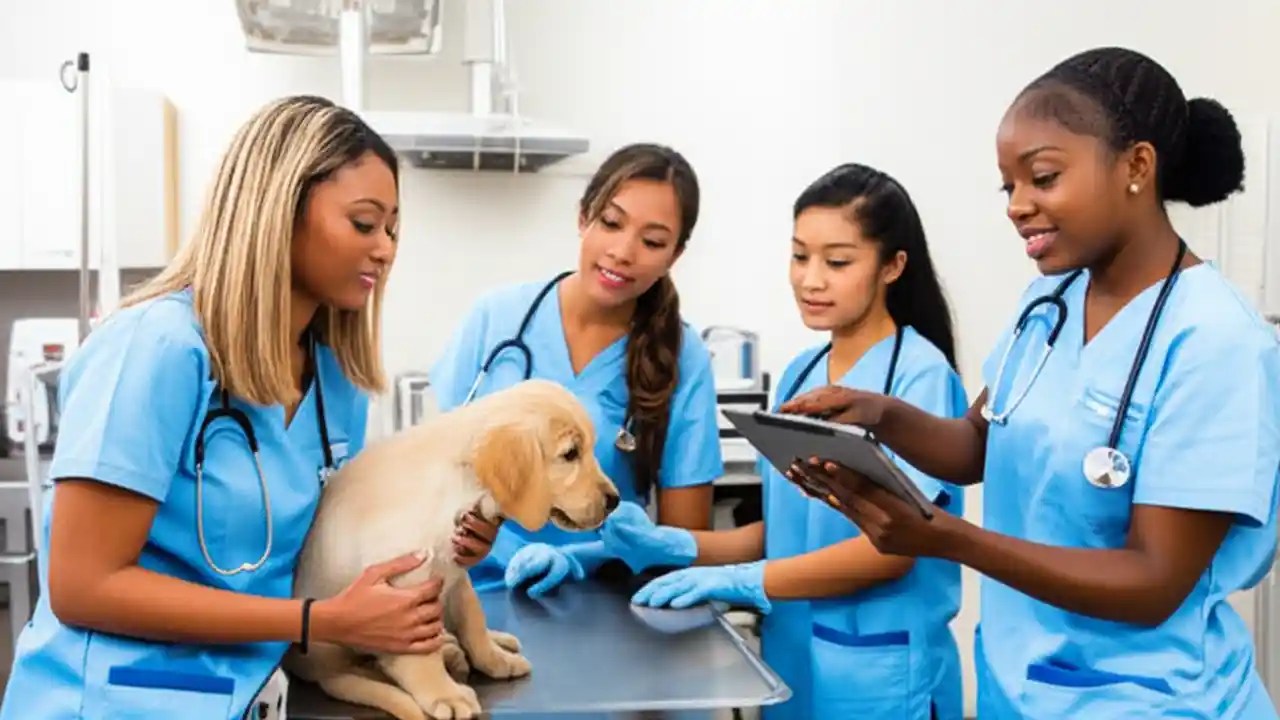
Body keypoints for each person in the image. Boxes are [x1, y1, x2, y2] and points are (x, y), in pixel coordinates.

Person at [783, 47, 1280, 720]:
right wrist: (879, 414)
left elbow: (1155, 581)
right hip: (1019, 690)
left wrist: (944, 538)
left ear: (1137, 166)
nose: (1018, 206)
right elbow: (980, 445)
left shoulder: (1215, 341)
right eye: (1008, 186)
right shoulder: (1047, 306)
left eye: (1042, 177)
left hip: (1151, 701)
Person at [0, 95, 498, 720]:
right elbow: (83, 586)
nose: (386, 249)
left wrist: (446, 544)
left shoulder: (334, 383)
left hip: (248, 695)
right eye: (365, 224)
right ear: (278, 212)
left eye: (393, 229)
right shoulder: (155, 349)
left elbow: (322, 556)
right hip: (111, 700)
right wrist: (319, 621)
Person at [601, 163, 968, 719]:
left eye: (837, 262)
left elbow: (894, 547)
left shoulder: (919, 377)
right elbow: (792, 532)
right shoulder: (801, 373)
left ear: (892, 266)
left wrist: (748, 580)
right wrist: (676, 547)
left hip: (880, 676)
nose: (810, 279)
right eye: (800, 256)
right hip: (794, 665)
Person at [429, 142, 724, 597]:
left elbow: (680, 543)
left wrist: (579, 559)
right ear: (583, 216)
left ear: (675, 256)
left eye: (652, 241)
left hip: (604, 603)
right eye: (611, 223)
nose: (623, 252)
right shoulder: (497, 318)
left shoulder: (684, 356)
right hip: (473, 595)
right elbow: (438, 475)